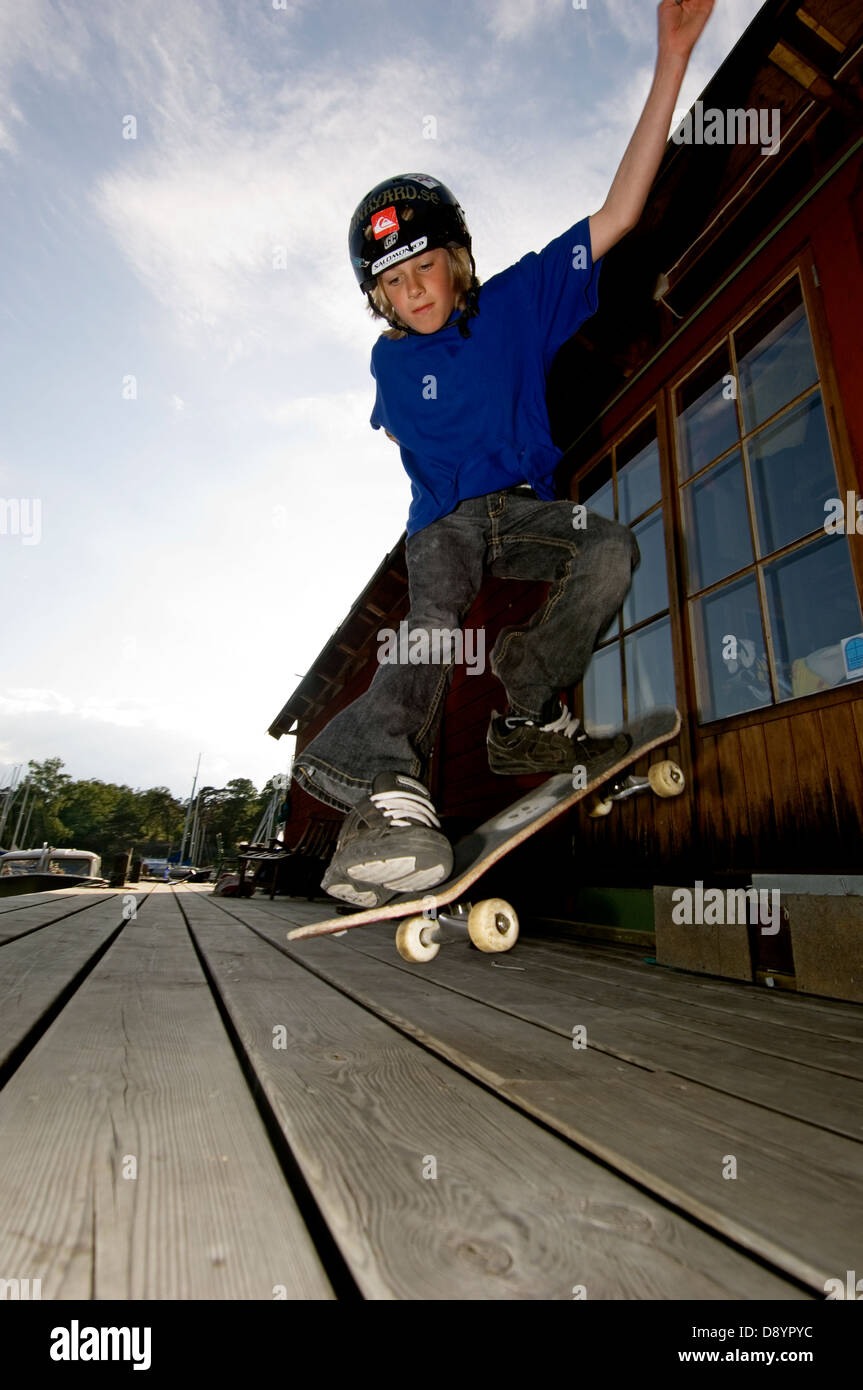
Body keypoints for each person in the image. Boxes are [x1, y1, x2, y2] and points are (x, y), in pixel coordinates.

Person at [293, 0, 714, 906]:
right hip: (446, 523)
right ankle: (383, 776)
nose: (414, 295)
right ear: (380, 303)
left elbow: (620, 211)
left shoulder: (521, 301)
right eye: (394, 288)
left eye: (425, 271)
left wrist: (671, 63)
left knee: (607, 547)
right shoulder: (392, 362)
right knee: (438, 607)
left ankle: (524, 713)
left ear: (458, 260)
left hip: (521, 509)